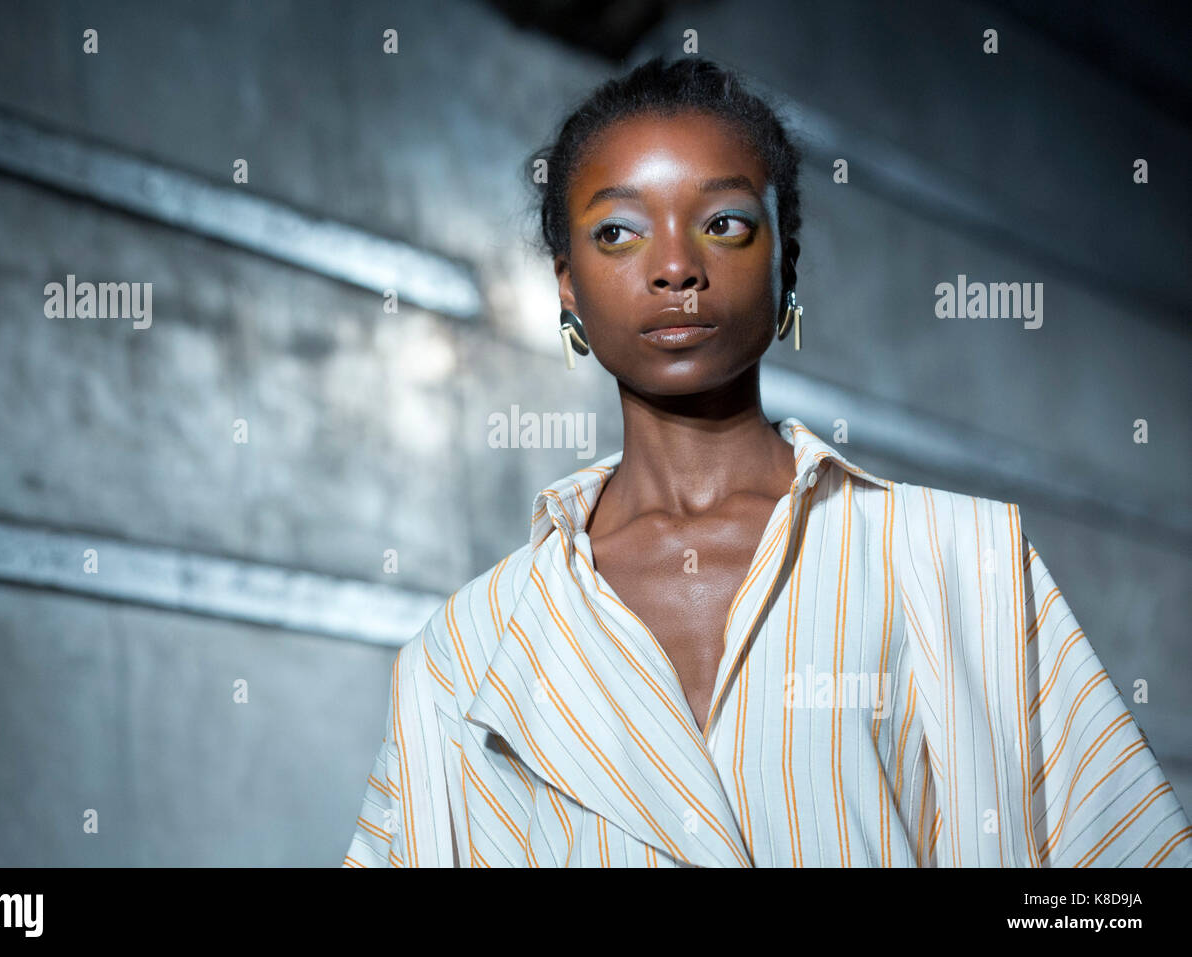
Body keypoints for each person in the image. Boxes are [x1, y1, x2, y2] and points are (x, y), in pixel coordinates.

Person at [342, 56, 1191, 867]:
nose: (676, 267)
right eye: (618, 233)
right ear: (568, 285)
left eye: (725, 224)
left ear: (786, 265)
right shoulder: (466, 648)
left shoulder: (962, 562)